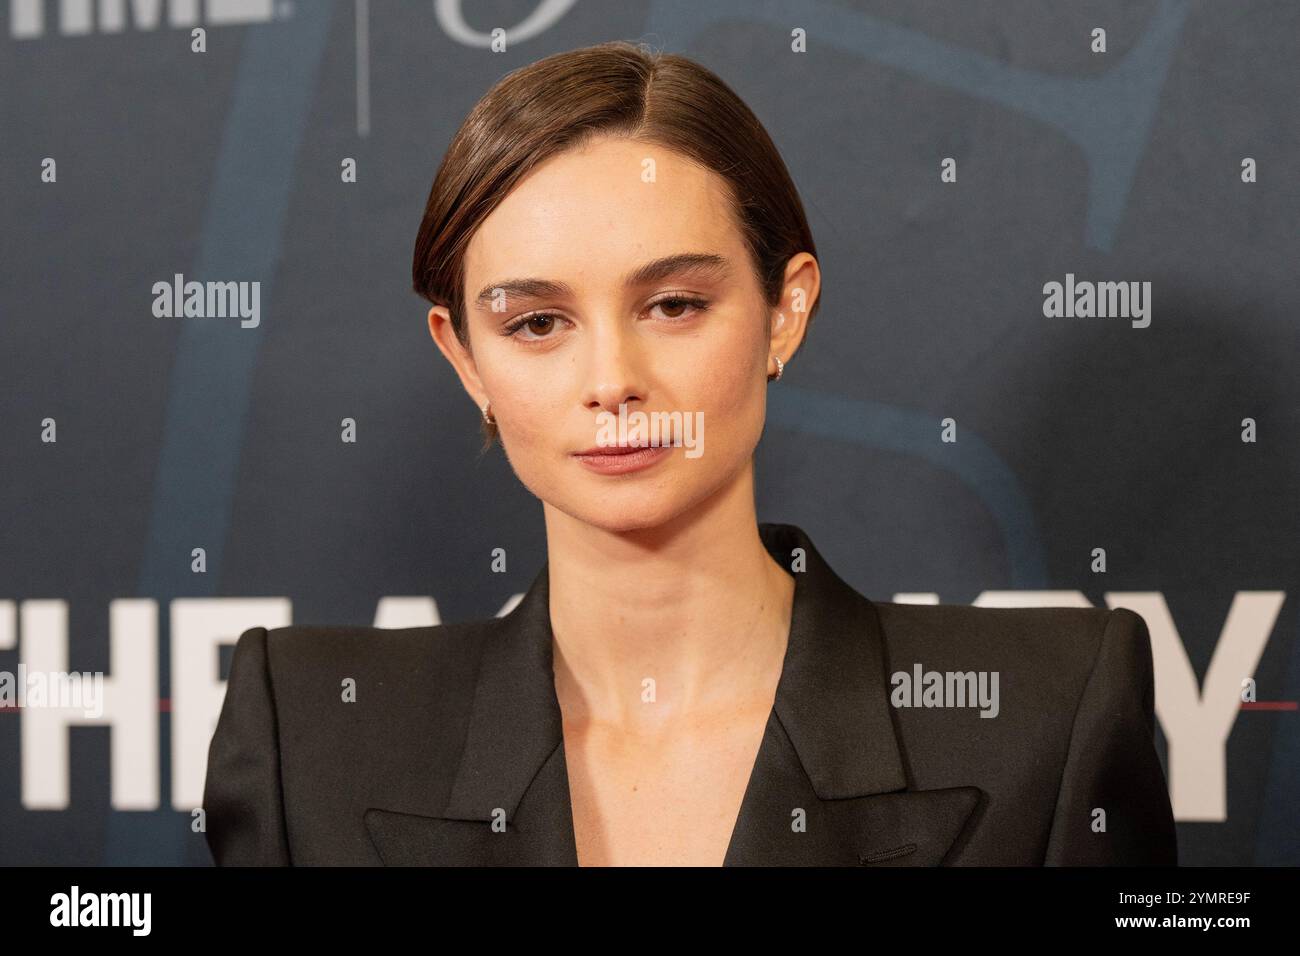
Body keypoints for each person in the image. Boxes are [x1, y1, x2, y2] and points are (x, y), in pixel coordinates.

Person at [203, 40, 1176, 866]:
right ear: (464, 356)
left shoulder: (1047, 716)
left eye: (672, 304)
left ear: (783, 310)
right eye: (538, 322)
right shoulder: (311, 736)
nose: (612, 378)